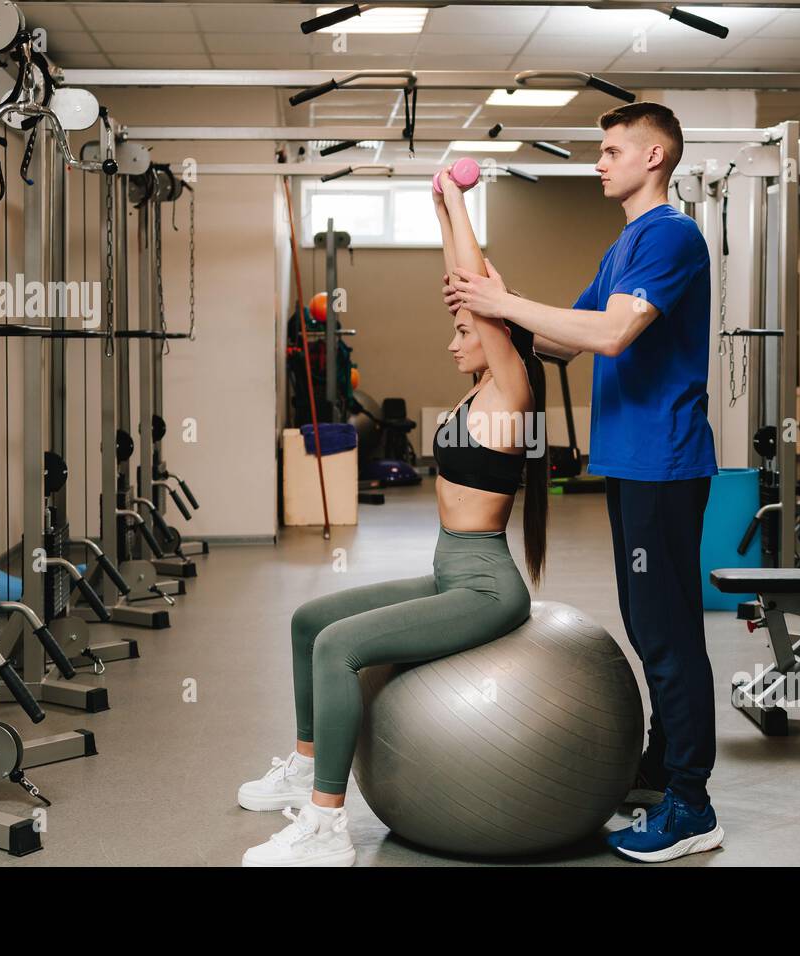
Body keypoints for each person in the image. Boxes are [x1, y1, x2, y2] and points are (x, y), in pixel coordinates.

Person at [238, 166, 549, 867]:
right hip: (448, 575)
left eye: (466, 329)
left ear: (498, 332)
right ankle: (303, 763)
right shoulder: (479, 395)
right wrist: (440, 211)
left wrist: (462, 202)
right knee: (309, 622)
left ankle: (325, 827)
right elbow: (467, 286)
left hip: (484, 588)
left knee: (337, 649)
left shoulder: (512, 393)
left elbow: (480, 294)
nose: (452, 338)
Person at [446, 101, 724, 863]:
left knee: (664, 635)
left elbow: (611, 334)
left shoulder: (670, 235)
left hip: (664, 464)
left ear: (655, 156)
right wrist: (497, 302)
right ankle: (664, 770)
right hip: (633, 466)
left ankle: (692, 805)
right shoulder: (629, 243)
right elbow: (560, 341)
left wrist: (502, 305)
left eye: (610, 151)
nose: (598, 163)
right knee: (653, 627)